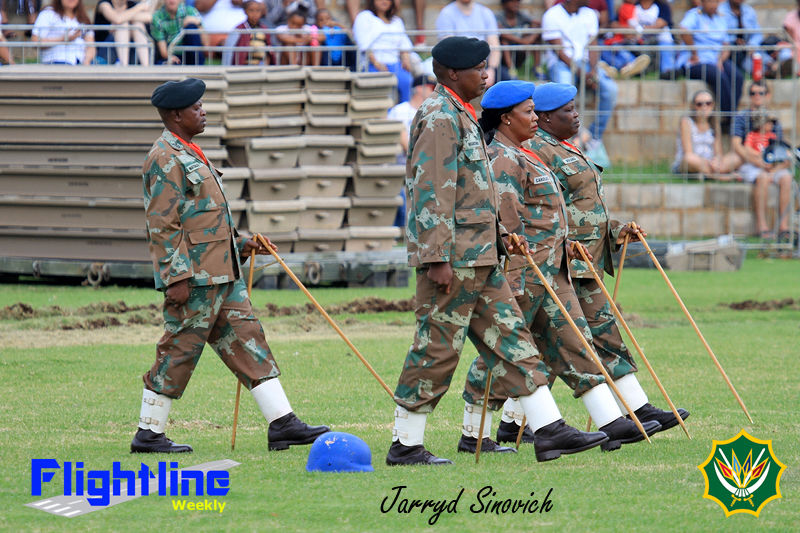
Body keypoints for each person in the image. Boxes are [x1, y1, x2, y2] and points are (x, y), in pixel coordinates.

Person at [387, 37, 609, 466]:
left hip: (482, 255)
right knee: (436, 348)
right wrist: (436, 258)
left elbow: (472, 191)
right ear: (453, 73)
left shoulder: (460, 115)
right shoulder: (438, 116)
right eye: (480, 68)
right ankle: (406, 444)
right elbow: (431, 188)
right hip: (454, 259)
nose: (486, 75)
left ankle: (548, 430)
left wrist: (501, 233)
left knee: (513, 341)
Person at [464, 81, 664, 452]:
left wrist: (566, 242)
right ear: (507, 119)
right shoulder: (504, 158)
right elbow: (507, 219)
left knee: (576, 344)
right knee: (502, 351)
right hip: (523, 272)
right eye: (527, 113)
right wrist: (516, 248)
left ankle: (612, 422)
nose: (534, 118)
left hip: (552, 269)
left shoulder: (528, 154)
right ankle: (474, 433)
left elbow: (546, 215)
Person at [133, 78, 330, 454]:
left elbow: (204, 220)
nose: (203, 111)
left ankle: (282, 424)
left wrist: (243, 243)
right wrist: (175, 278)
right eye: (196, 107)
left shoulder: (191, 152)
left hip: (223, 274)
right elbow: (163, 224)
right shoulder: (164, 157)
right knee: (179, 349)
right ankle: (149, 433)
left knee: (249, 341)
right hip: (194, 279)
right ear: (176, 115)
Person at [525, 83, 690, 437]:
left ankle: (637, 408)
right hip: (561, 262)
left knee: (600, 334)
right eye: (568, 110)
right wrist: (566, 243)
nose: (576, 114)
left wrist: (616, 230)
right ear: (546, 118)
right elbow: (546, 212)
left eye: (575, 107)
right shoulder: (537, 152)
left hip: (586, 260)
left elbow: (584, 209)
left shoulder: (564, 147)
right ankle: (498, 424)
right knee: (550, 344)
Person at [541, 0, 617, 144]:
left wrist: (593, 72)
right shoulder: (552, 14)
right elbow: (559, 52)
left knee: (610, 89)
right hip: (561, 64)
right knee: (564, 92)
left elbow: (593, 46)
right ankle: (573, 138)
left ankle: (593, 138)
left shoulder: (590, 14)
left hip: (587, 64)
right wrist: (581, 73)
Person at [730, 81, 795, 241]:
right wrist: (758, 161)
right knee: (762, 178)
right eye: (753, 93)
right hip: (750, 161)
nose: (757, 96)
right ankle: (762, 225)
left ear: (768, 95)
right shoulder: (742, 118)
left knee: (787, 178)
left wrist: (774, 167)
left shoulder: (773, 121)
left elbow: (779, 149)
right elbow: (739, 146)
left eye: (761, 93)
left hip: (771, 164)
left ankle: (784, 226)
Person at [677, 0, 744, 122]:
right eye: (709, 2)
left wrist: (720, 60)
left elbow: (726, 45)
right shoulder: (694, 15)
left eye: (715, 2)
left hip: (716, 59)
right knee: (718, 76)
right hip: (697, 61)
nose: (713, 5)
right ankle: (730, 117)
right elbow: (684, 30)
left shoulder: (721, 18)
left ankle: (730, 115)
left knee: (737, 76)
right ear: (702, 2)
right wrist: (694, 52)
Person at [387, 73, 436, 227]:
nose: (433, 92)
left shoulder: (432, 111)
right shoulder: (400, 110)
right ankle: (404, 228)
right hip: (402, 161)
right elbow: (403, 141)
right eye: (430, 88)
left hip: (424, 160)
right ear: (419, 89)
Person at [352, 0, 413, 103]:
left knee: (406, 80)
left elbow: (404, 43)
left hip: (395, 63)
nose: (384, 1)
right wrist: (376, 63)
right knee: (383, 85)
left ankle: (404, 113)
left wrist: (406, 60)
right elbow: (364, 43)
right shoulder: (365, 17)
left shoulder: (396, 20)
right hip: (372, 64)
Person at [672, 89, 740, 179]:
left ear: (713, 105)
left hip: (710, 163)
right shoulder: (686, 122)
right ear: (694, 106)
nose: (704, 107)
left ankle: (707, 174)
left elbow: (718, 152)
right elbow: (688, 152)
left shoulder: (714, 123)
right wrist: (708, 163)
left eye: (708, 103)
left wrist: (716, 160)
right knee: (689, 158)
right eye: (699, 104)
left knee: (737, 157)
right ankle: (718, 176)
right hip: (693, 162)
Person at [435, 0, 505, 86]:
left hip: (484, 64)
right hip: (459, 66)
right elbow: (449, 48)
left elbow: (495, 46)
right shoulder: (446, 14)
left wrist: (491, 69)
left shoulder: (486, 13)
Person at [598, 0, 651, 79]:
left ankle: (617, 69)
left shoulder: (629, 7)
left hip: (622, 40)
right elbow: (632, 25)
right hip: (617, 40)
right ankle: (625, 67)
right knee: (612, 52)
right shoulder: (626, 7)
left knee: (618, 53)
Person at [31, 0, 95, 64]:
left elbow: (90, 46)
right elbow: (35, 41)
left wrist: (86, 62)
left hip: (80, 61)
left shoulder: (83, 18)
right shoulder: (48, 13)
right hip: (56, 61)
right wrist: (63, 39)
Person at [93, 0, 153, 66]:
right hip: (106, 52)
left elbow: (149, 17)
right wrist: (138, 8)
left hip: (131, 52)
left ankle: (146, 66)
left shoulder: (131, 5)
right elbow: (117, 19)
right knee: (122, 26)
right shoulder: (104, 4)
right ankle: (124, 66)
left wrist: (123, 17)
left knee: (138, 25)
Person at [151, 0, 207, 64]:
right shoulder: (158, 16)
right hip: (175, 55)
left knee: (191, 26)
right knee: (161, 65)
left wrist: (198, 23)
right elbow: (163, 49)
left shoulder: (190, 11)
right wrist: (170, 57)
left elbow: (206, 44)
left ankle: (197, 67)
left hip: (193, 54)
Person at [496, 0, 541, 79]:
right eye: (512, 1)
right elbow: (501, 32)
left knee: (535, 36)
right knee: (504, 40)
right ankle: (511, 69)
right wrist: (522, 41)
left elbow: (538, 24)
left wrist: (531, 37)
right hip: (503, 57)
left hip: (519, 52)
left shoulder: (521, 15)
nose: (516, 4)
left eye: (517, 1)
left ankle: (537, 68)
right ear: (504, 4)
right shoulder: (499, 17)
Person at [222, 0, 271, 66]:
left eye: (258, 10)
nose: (255, 14)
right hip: (243, 67)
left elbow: (269, 51)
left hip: (260, 66)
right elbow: (228, 50)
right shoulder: (239, 29)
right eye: (251, 10)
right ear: (245, 11)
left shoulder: (264, 29)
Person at [717, 0, 760, 73]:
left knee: (769, 44)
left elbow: (757, 33)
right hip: (730, 48)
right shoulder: (720, 10)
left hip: (747, 46)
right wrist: (734, 40)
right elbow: (720, 34)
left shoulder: (749, 10)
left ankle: (772, 67)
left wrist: (752, 45)